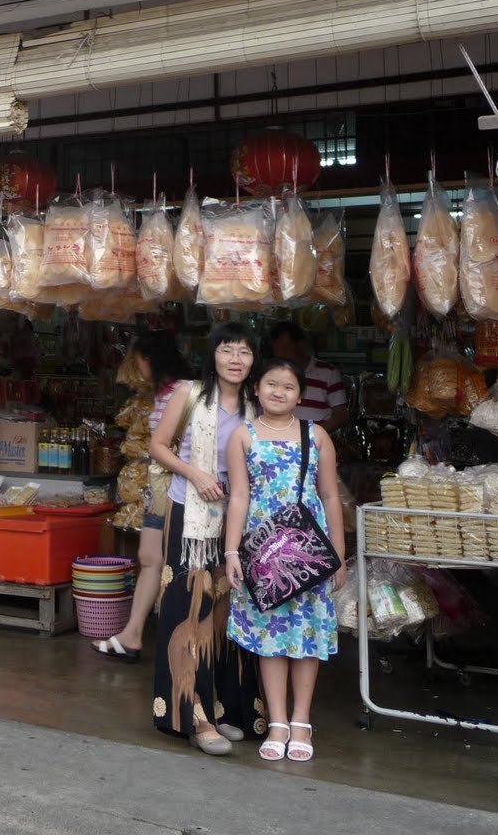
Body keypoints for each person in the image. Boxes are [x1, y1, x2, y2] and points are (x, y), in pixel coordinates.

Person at [147, 322, 264, 755]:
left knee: (227, 614)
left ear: (255, 361)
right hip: (190, 517)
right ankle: (194, 715)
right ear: (212, 355)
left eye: (245, 352)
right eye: (227, 350)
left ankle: (226, 708)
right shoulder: (189, 393)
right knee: (189, 611)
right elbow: (158, 445)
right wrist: (195, 474)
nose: (235, 359)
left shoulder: (258, 402)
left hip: (238, 522)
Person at [224, 357, 346, 763]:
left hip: (307, 552)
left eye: (288, 386)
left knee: (306, 638)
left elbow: (330, 496)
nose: (278, 391)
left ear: (300, 395)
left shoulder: (317, 436)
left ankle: (301, 721)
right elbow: (238, 496)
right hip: (261, 552)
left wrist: (339, 556)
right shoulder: (242, 436)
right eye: (271, 384)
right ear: (257, 388)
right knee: (270, 639)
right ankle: (277, 721)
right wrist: (231, 551)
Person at [93, 330, 192, 662]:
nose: (137, 370)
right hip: (160, 487)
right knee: (150, 556)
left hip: (182, 488)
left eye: (138, 362)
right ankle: (132, 634)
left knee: (179, 564)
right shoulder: (162, 393)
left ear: (150, 360)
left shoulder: (185, 392)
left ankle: (183, 640)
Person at [269, 321, 347, 433]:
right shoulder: (271, 374)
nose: (281, 355)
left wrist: (313, 436)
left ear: (300, 345)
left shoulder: (328, 372)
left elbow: (341, 415)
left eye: (285, 349)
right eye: (277, 350)